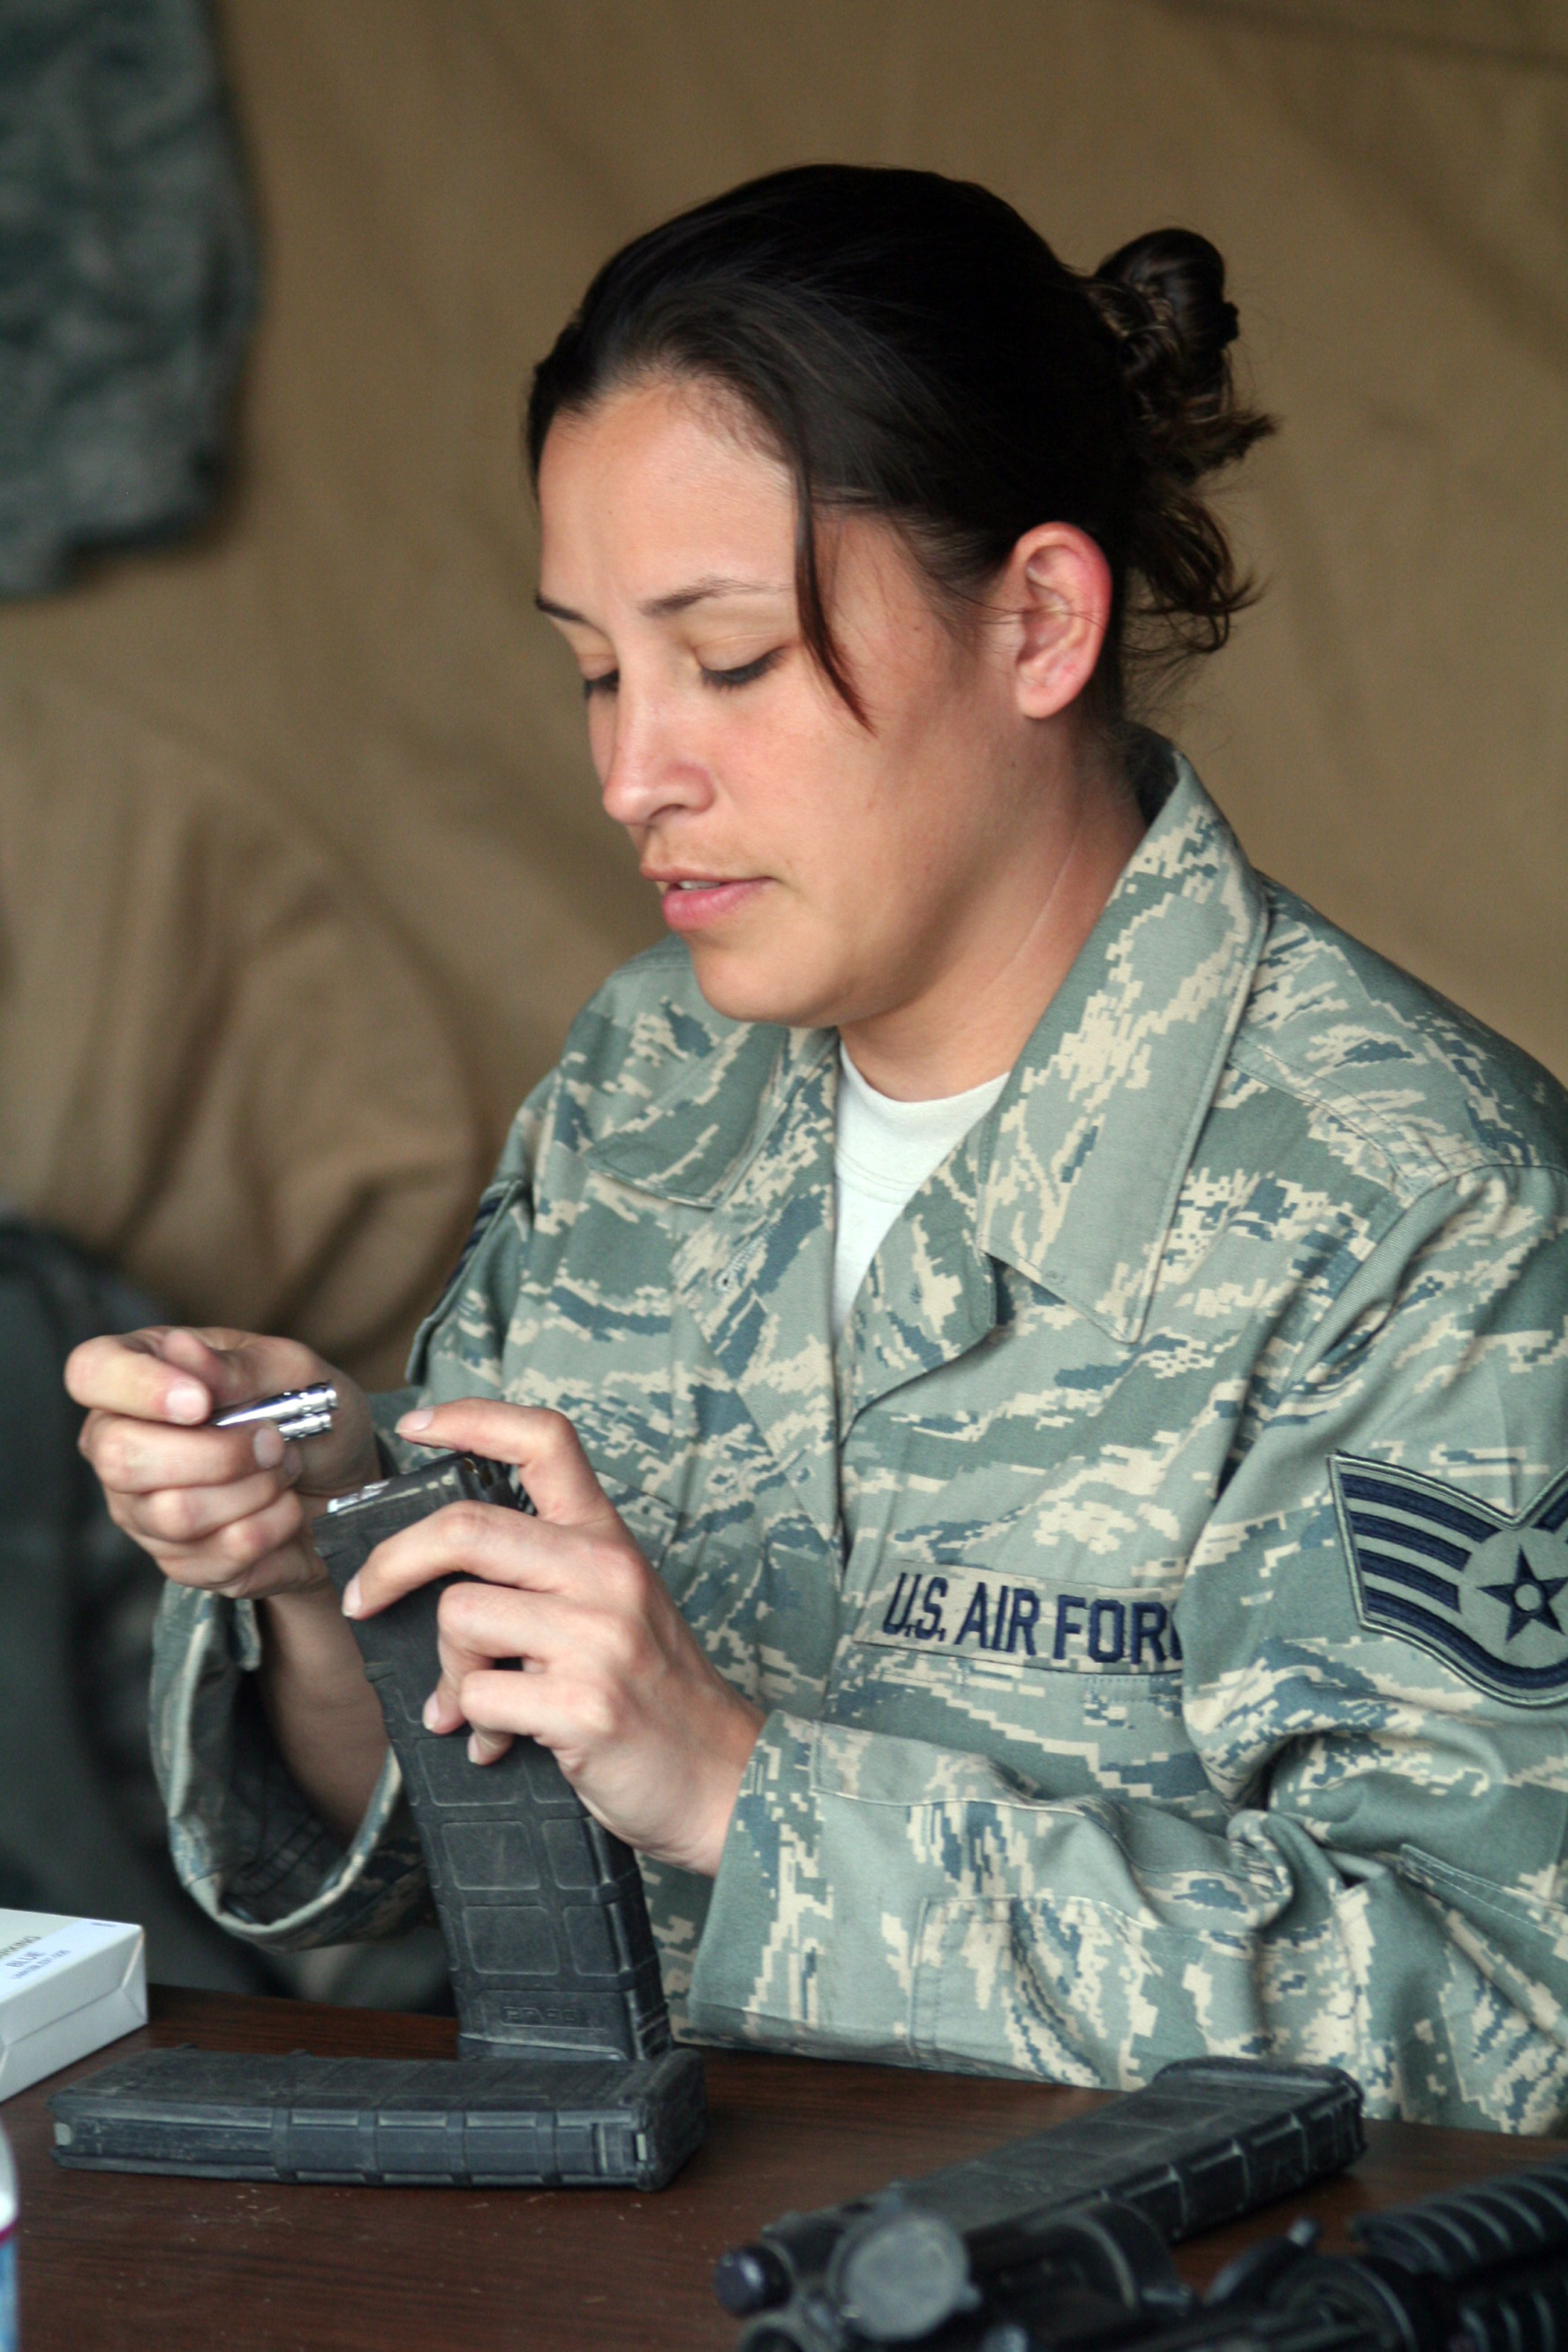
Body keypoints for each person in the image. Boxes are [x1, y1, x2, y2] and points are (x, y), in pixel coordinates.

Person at [69, 167, 1568, 2129]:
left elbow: (1503, 2021)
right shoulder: (647, 1086)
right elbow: (440, 1884)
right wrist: (322, 1555)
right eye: (598, 667)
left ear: (1034, 622)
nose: (628, 774)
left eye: (731, 658)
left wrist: (743, 1789)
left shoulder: (1416, 1201)